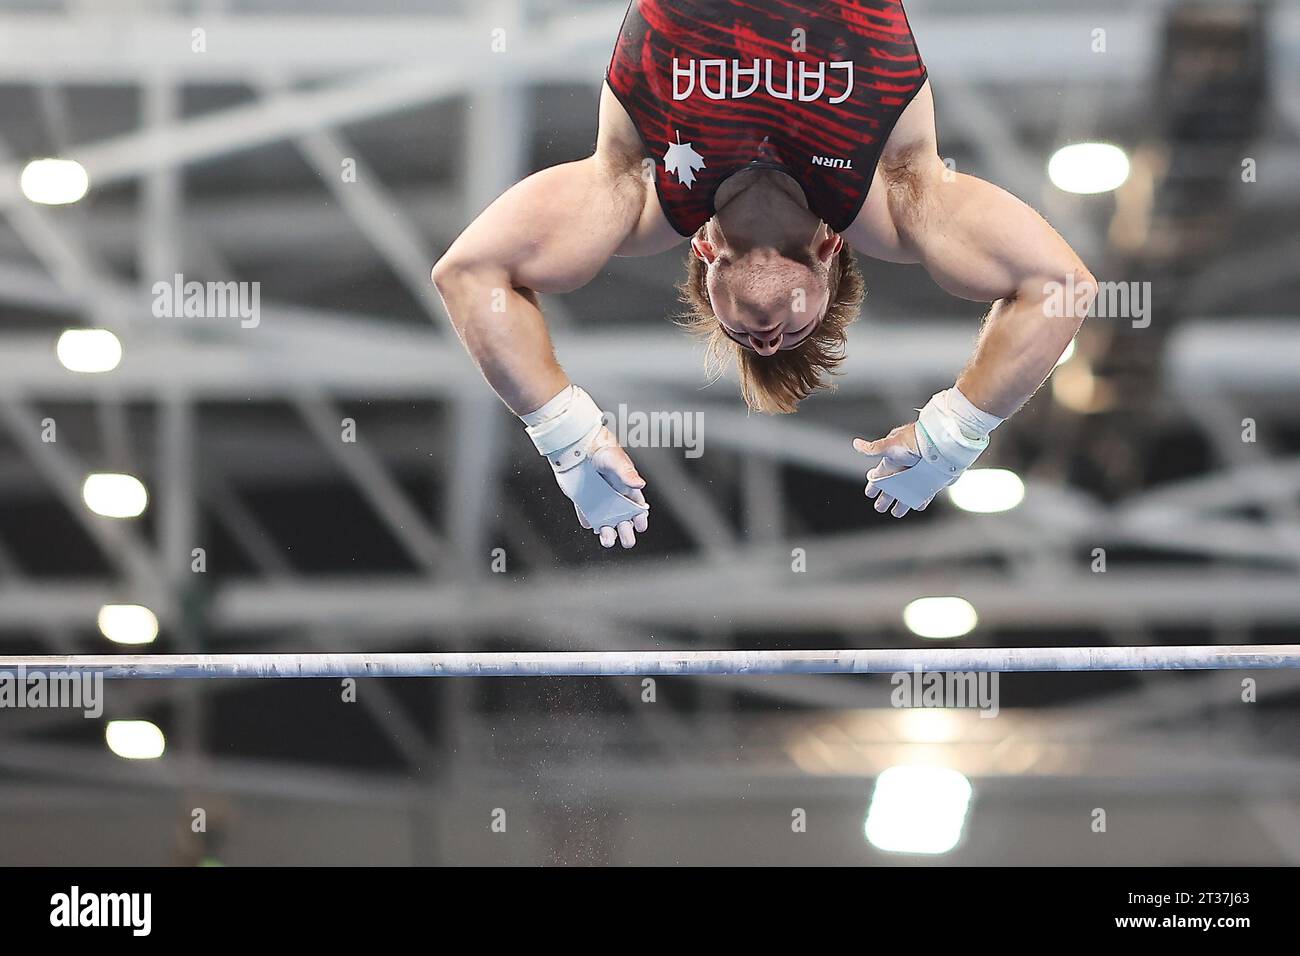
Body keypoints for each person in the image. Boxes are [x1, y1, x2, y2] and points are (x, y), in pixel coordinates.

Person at [433, 0, 1097, 548]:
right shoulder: (892, 195)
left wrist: (567, 438)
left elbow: (469, 272)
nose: (769, 339)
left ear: (703, 258)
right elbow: (1060, 285)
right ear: (833, 255)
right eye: (791, 338)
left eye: (746, 341)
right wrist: (954, 433)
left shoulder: (640, 189)